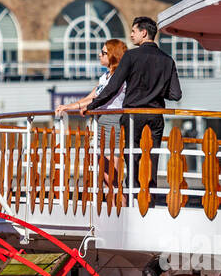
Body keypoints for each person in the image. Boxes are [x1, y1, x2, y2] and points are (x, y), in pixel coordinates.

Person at [84, 16, 182, 194]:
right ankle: (149, 197)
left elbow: (112, 87)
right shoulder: (168, 60)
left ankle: (134, 197)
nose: (131, 35)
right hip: (156, 116)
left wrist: (91, 106)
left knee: (133, 158)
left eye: (133, 31)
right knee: (152, 157)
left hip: (132, 116)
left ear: (144, 33)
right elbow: (176, 94)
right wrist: (157, 89)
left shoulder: (131, 56)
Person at [55, 38, 127, 148]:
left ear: (113, 55)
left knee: (110, 159)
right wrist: (68, 106)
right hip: (101, 118)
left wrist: (70, 107)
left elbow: (95, 98)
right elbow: (91, 97)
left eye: (103, 53)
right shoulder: (105, 76)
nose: (99, 55)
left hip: (112, 119)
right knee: (101, 159)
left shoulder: (118, 76)